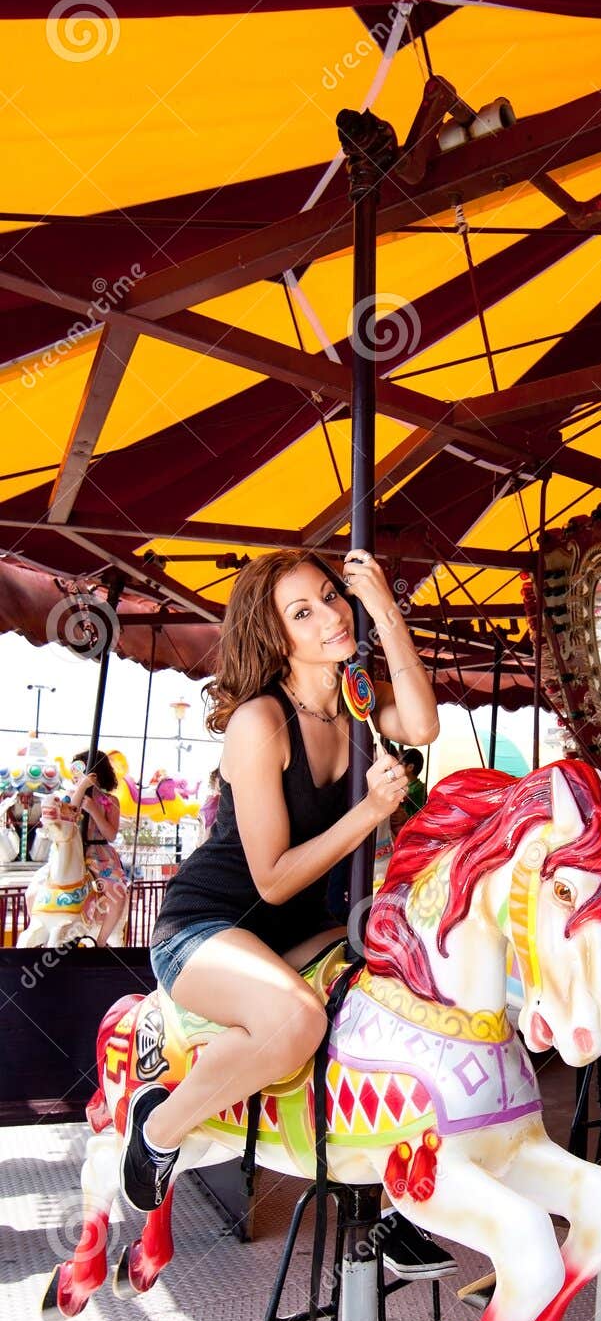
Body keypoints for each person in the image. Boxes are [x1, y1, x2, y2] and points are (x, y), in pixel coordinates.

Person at [124, 547, 453, 1280]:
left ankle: (395, 1195)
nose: (331, 615)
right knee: (297, 1020)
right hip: (208, 926)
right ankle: (160, 1127)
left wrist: (386, 613)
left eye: (332, 598)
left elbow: (424, 725)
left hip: (299, 930)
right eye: (302, 612)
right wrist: (370, 811)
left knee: (416, 985)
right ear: (275, 636)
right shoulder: (259, 721)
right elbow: (269, 879)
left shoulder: (358, 701)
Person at [70, 750, 129, 945]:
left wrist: (94, 811)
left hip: (100, 855)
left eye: (82, 769)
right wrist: (81, 788)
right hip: (75, 852)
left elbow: (111, 834)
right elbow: (70, 814)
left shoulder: (110, 802)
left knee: (117, 893)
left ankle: (101, 942)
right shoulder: (71, 796)